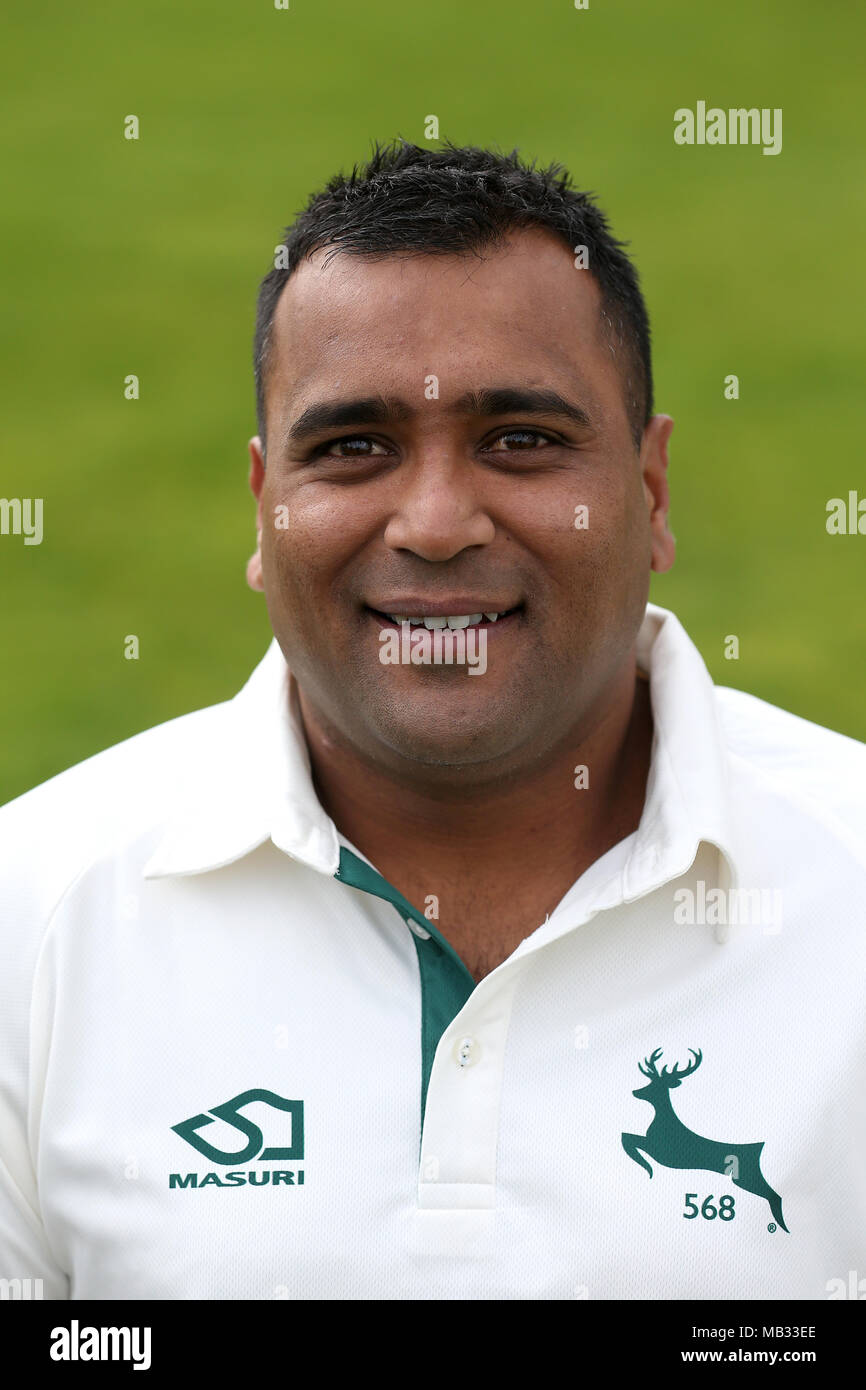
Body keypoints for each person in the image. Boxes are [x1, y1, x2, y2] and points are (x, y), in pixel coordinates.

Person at [1, 141, 864, 1302]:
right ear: (264, 508)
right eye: (353, 448)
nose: (437, 523)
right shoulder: (34, 915)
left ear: (648, 495)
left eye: (519, 439)